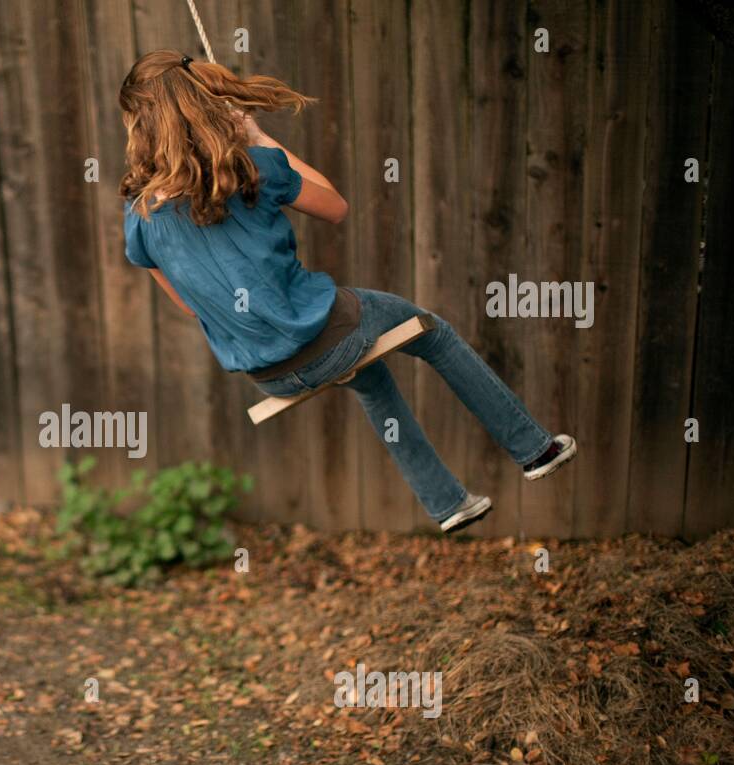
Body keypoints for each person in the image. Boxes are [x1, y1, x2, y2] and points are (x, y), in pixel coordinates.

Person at [118, 51, 575, 533]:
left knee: (369, 375)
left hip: (267, 372)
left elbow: (188, 306)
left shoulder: (139, 216)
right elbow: (334, 206)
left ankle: (448, 503)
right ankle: (533, 449)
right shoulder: (249, 167)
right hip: (325, 329)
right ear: (199, 103)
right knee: (431, 333)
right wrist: (257, 137)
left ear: (142, 126)